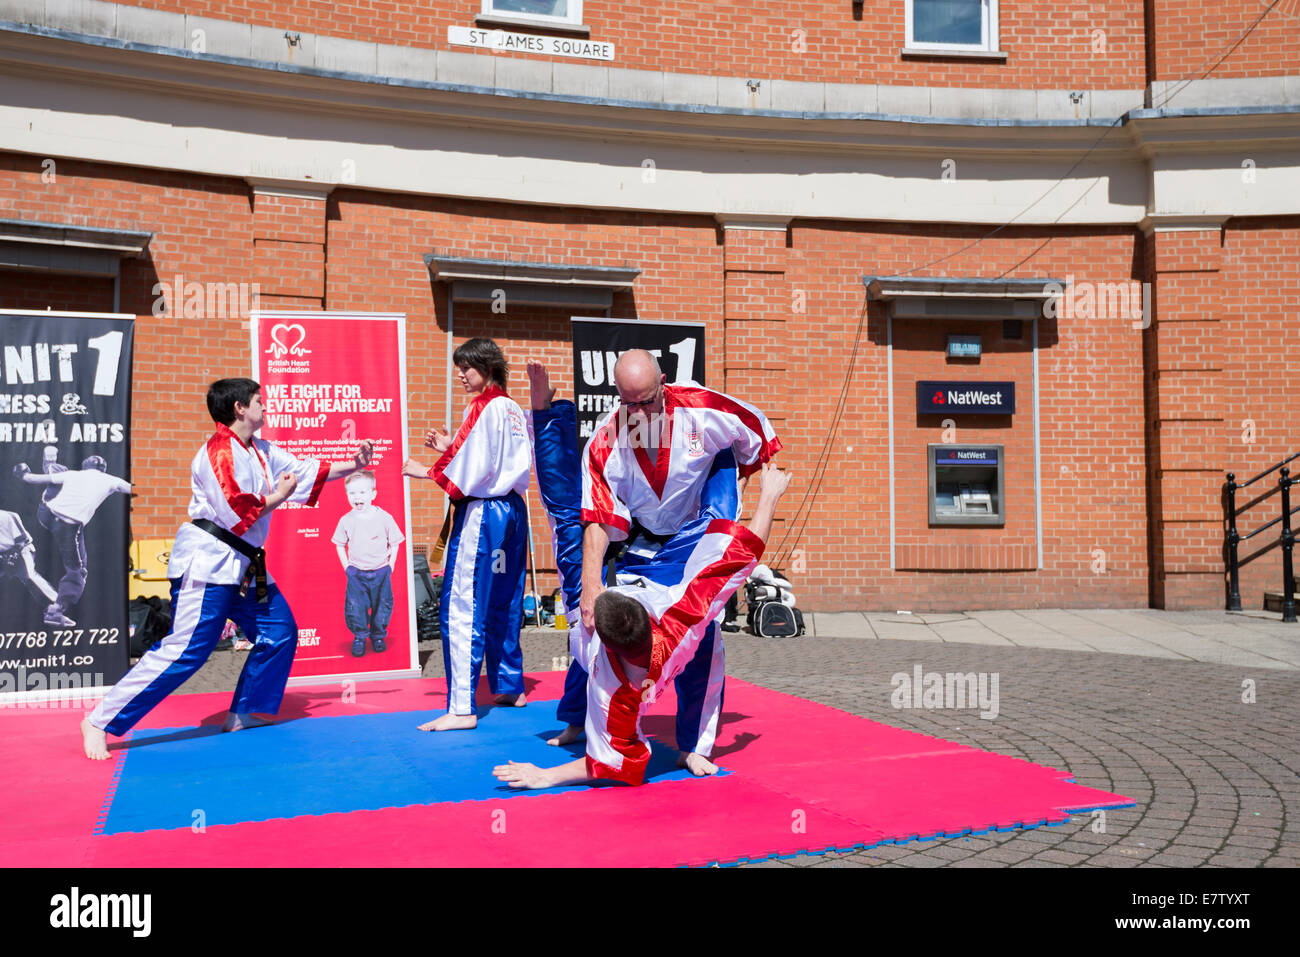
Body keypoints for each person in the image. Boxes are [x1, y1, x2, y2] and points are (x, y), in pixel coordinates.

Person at [492, 383, 792, 789]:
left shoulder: (611, 690)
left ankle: (545, 411)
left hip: (608, 602)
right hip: (646, 589)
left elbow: (615, 768)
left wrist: (543, 776)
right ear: (647, 616)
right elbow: (746, 551)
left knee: (564, 514)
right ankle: (679, 742)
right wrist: (769, 495)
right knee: (709, 628)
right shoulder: (679, 618)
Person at [79, 377, 374, 760]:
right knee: (188, 649)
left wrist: (355, 464)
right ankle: (100, 720)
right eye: (258, 401)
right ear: (239, 408)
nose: (264, 407)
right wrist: (278, 496)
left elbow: (304, 470)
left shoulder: (261, 450)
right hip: (209, 560)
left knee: (278, 631)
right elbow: (237, 511)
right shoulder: (218, 452)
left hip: (245, 566)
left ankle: (243, 712)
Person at [550, 350, 782, 772]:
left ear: (665, 382)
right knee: (597, 627)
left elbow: (758, 435)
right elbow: (599, 520)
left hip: (698, 528)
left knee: (703, 632)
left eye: (647, 400)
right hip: (642, 537)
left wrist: (756, 491)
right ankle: (575, 720)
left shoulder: (704, 409)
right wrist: (590, 585)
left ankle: (694, 744)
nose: (638, 412)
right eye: (628, 403)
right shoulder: (606, 440)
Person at [403, 338, 531, 731]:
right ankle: (510, 685)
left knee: (463, 604)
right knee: (504, 599)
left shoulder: (482, 405)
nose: (460, 374)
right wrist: (449, 447)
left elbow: (468, 472)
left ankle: (461, 707)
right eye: (459, 367)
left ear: (487, 368)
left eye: (467, 368)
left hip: (483, 512)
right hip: (512, 510)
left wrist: (424, 469)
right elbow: (485, 454)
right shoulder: (510, 407)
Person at [16, 454, 132, 627]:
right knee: (77, 571)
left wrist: (22, 473)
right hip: (68, 528)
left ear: (86, 466)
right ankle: (55, 611)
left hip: (46, 514)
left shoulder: (73, 474)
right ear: (103, 469)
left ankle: (51, 469)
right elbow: (131, 488)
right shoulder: (111, 480)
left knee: (56, 478)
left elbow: (30, 479)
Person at [332, 470, 404, 657]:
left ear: (373, 494)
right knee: (356, 607)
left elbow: (395, 542)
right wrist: (347, 567)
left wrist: (391, 564)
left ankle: (378, 635)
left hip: (381, 571)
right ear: (347, 495)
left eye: (362, 492)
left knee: (383, 605)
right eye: (352, 493)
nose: (357, 497)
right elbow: (339, 544)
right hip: (357, 573)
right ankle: (360, 636)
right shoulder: (346, 520)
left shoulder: (384, 517)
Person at [0, 508, 59, 609]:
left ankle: (57, 605)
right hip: (4, 555)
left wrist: (10, 557)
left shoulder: (7, 516)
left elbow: (22, 540)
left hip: (22, 550)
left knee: (29, 576)